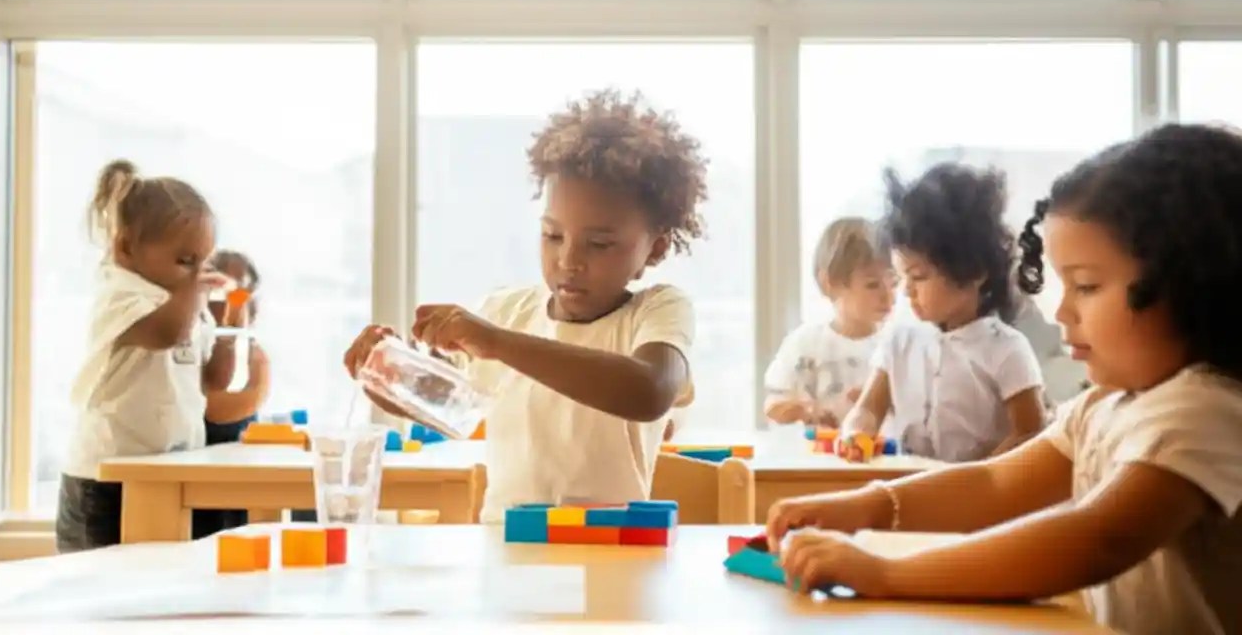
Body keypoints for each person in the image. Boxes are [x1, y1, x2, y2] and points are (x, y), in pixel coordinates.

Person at [766, 124, 1242, 635]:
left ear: (1191, 284)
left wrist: (886, 572)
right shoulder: (1104, 406)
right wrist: (864, 506)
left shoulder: (1205, 408)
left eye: (1086, 286)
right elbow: (995, 483)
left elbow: (1096, 538)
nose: (1061, 311)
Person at [345, 90, 706, 522]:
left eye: (600, 244)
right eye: (553, 236)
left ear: (655, 249)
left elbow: (648, 391)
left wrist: (496, 343)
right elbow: (446, 404)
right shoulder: (507, 312)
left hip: (612, 549)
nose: (569, 260)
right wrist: (387, 375)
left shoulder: (656, 311)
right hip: (509, 544)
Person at [56, 160, 234, 552]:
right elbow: (166, 333)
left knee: (160, 584)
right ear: (125, 249)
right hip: (105, 480)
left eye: (204, 261)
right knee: (99, 589)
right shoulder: (121, 295)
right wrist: (194, 291)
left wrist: (228, 322)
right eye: (185, 261)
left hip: (166, 475)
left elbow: (215, 380)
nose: (197, 272)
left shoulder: (187, 302)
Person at [839, 163, 1045, 462]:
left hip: (979, 498)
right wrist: (855, 432)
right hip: (907, 487)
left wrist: (979, 477)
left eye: (919, 277)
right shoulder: (899, 340)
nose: (906, 290)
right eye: (901, 278)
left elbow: (1030, 433)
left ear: (974, 271)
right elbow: (868, 409)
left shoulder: (1006, 348)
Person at [763, 217, 895, 429]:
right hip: (819, 459)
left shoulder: (895, 344)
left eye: (893, 282)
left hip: (882, 458)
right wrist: (806, 411)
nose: (887, 295)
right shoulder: (805, 344)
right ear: (829, 283)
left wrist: (878, 403)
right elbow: (773, 405)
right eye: (872, 285)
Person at [191, 249, 271, 539]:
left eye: (240, 294)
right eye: (221, 291)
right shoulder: (191, 332)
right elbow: (215, 400)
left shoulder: (247, 343)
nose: (229, 301)